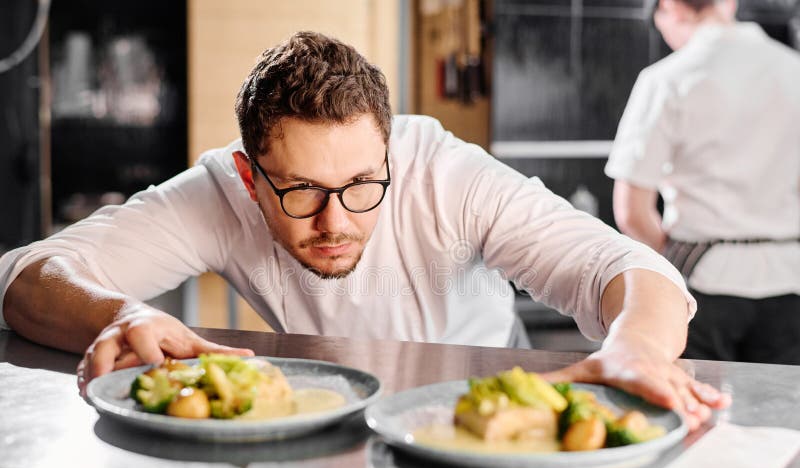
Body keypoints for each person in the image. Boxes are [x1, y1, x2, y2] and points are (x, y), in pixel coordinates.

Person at [0, 31, 728, 429]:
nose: (336, 221)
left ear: (388, 152)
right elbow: (24, 273)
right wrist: (118, 314)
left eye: (361, 186)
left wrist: (635, 348)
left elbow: (620, 266)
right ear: (252, 177)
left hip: (490, 425)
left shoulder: (448, 174)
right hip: (324, 423)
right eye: (303, 192)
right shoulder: (222, 190)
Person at [607, 0, 800, 364]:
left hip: (702, 288)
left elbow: (632, 212)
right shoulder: (794, 71)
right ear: (730, 3)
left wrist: (674, 257)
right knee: (783, 416)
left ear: (670, 9)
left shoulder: (665, 79)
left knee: (698, 412)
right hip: (790, 284)